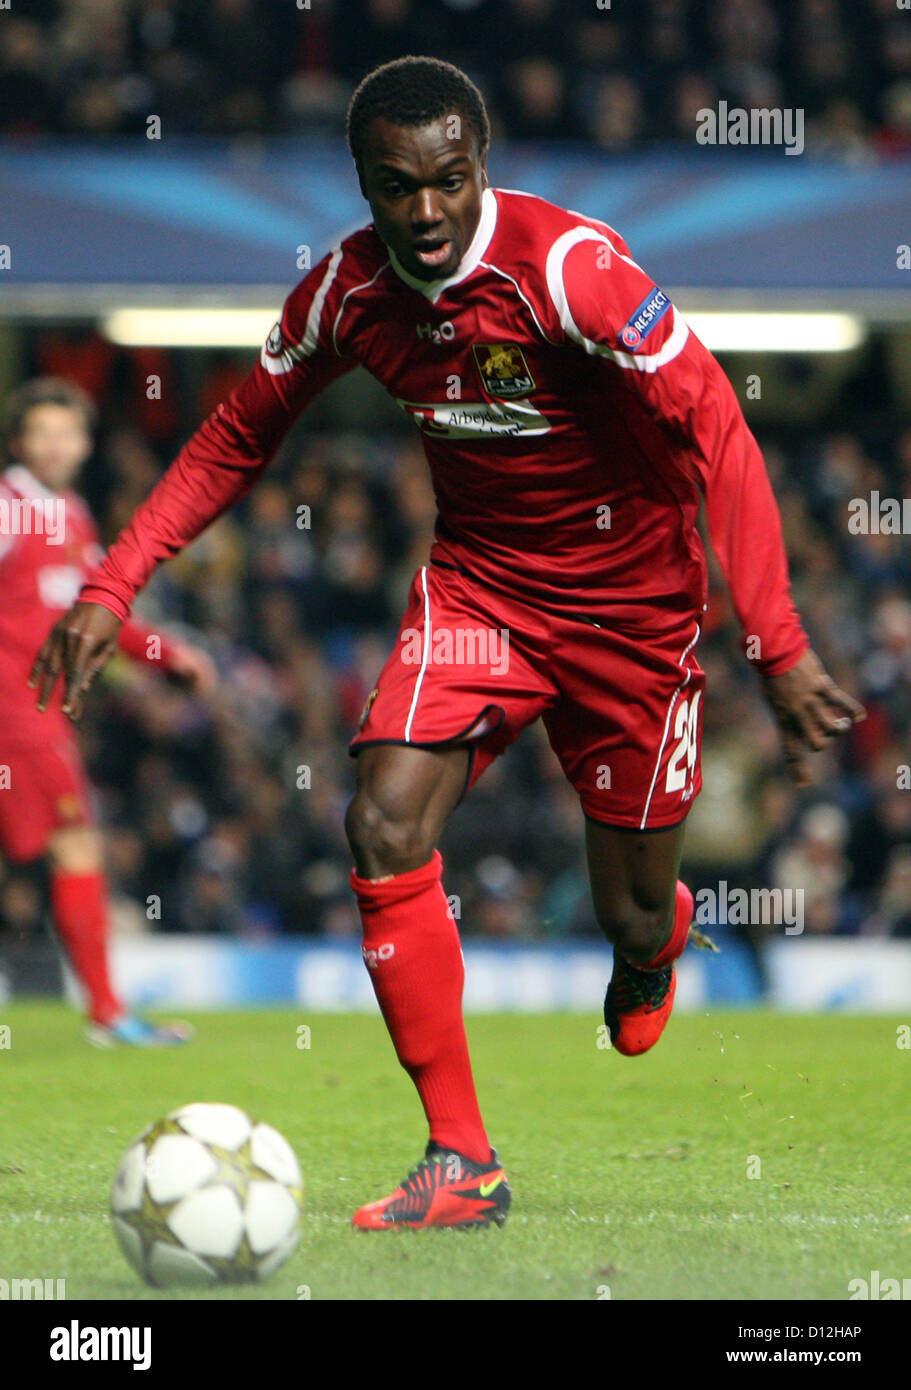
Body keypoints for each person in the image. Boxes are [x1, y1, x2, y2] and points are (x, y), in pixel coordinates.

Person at [31, 57, 864, 1225]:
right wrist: (112, 586)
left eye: (448, 181)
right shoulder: (343, 295)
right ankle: (460, 1158)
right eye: (395, 187)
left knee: (628, 909)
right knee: (377, 817)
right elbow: (234, 435)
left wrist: (775, 641)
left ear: (481, 167)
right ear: (364, 185)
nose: (425, 211)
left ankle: (653, 933)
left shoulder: (572, 273)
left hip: (633, 610)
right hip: (483, 590)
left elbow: (717, 427)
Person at [1, 376, 213, 1045]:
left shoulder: (69, 514)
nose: (57, 444)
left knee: (67, 845)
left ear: (86, 443)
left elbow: (100, 614)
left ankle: (106, 1011)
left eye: (68, 432)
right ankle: (106, 1013)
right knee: (76, 842)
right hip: (15, 710)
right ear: (18, 441)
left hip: (37, 713)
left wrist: (167, 652)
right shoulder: (10, 508)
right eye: (43, 432)